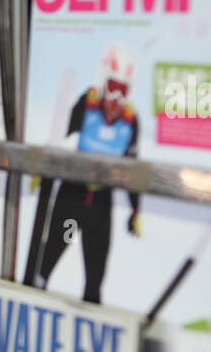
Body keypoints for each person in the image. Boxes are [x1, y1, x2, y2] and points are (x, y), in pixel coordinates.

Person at [31, 42, 142, 304]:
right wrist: (41, 166)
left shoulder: (130, 120)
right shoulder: (90, 103)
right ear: (104, 84)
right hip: (73, 198)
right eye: (113, 89)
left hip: (100, 208)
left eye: (123, 91)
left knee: (95, 276)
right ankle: (35, 297)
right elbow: (60, 132)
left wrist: (135, 211)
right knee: (50, 257)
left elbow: (133, 170)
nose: (116, 100)